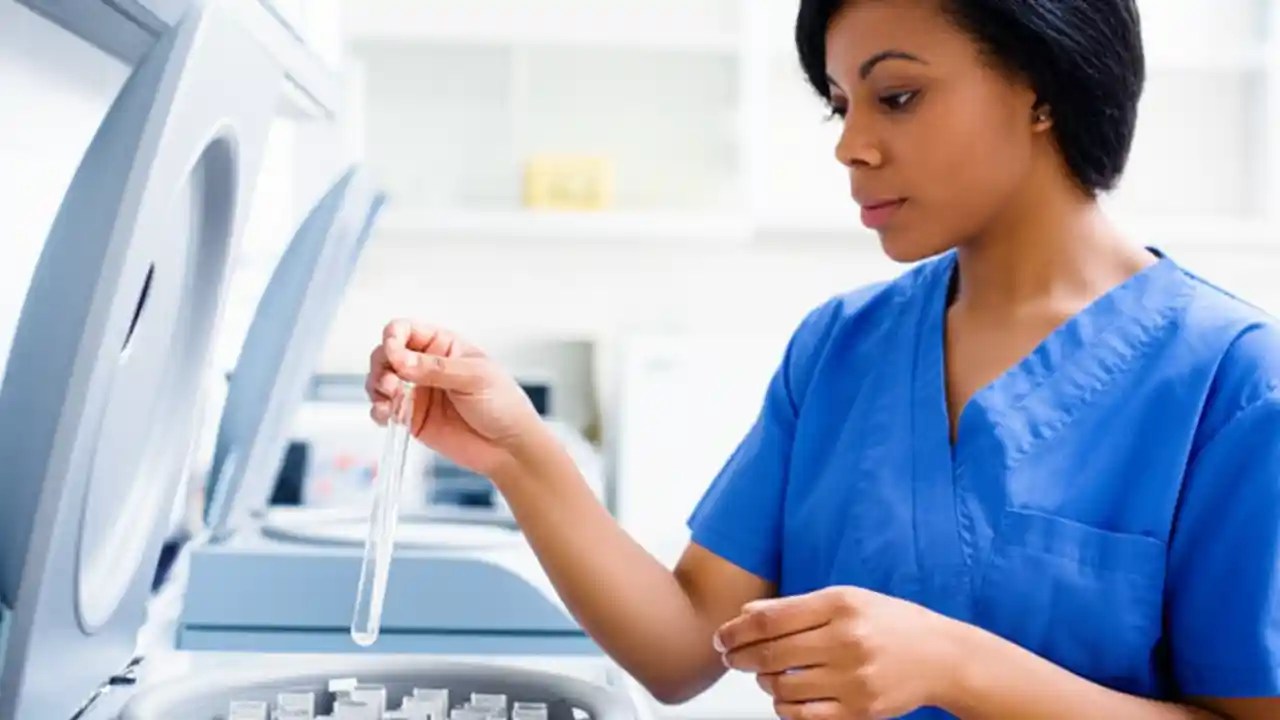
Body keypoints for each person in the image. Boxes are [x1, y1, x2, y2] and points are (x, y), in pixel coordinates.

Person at [366, 1, 1280, 718]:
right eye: (840, 104)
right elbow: (684, 649)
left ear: (1042, 86)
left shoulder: (1231, 383)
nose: (850, 145)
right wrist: (517, 453)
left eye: (899, 96)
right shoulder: (841, 348)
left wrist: (959, 668)